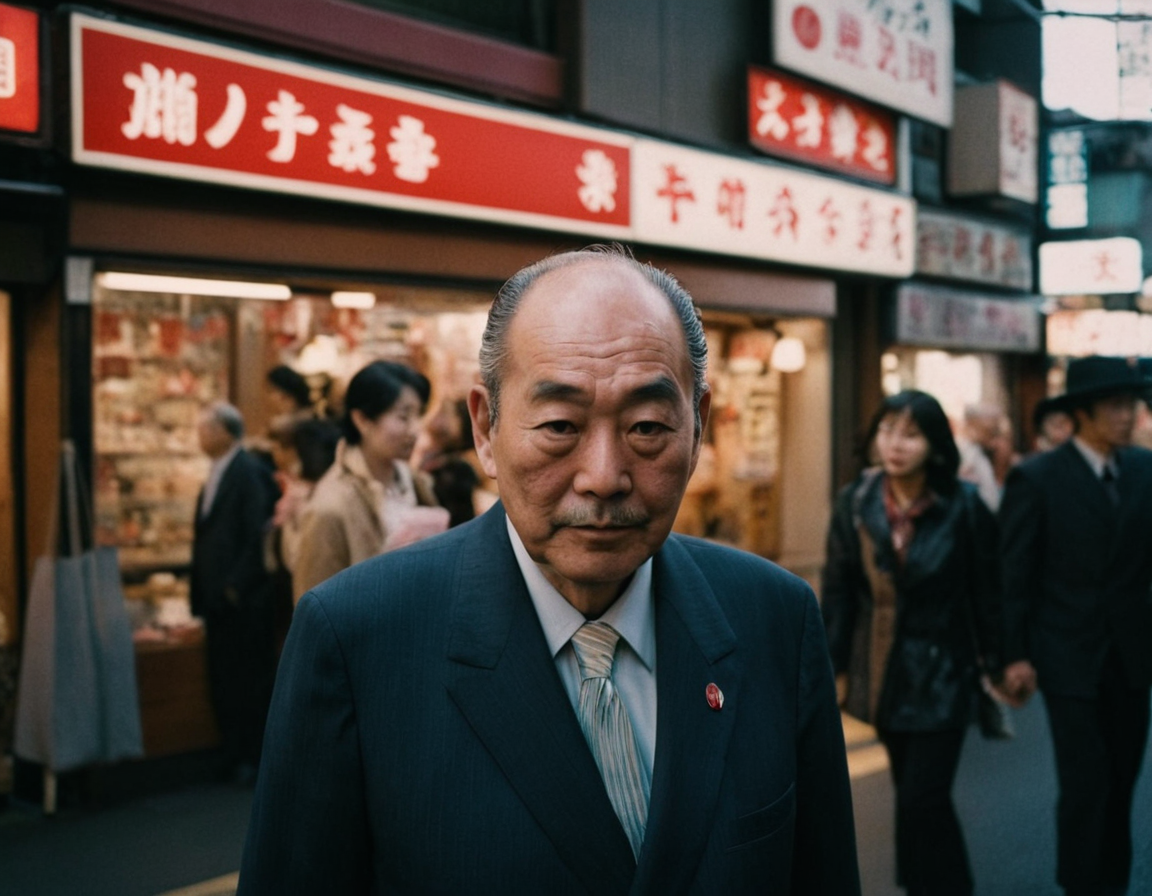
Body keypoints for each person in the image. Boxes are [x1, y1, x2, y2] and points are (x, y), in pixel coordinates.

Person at [238, 248, 861, 894]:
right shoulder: (356, 640)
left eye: (647, 427)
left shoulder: (774, 619)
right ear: (486, 428)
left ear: (696, 426)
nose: (603, 477)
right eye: (560, 425)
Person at [821, 390, 1005, 896]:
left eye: (911, 433)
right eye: (887, 430)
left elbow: (989, 591)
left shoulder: (963, 506)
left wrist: (1004, 658)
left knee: (924, 795)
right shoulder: (856, 501)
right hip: (880, 671)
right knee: (913, 793)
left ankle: (934, 885)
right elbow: (838, 591)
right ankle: (936, 883)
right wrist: (832, 665)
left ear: (935, 444)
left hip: (946, 673)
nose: (896, 444)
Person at [999, 355, 1152, 896]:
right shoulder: (1037, 477)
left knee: (1122, 780)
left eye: (1132, 403)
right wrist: (1012, 655)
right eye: (1115, 404)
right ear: (1082, 413)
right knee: (1086, 783)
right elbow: (1013, 574)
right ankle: (1082, 885)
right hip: (1069, 656)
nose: (1127, 414)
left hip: (1133, 659)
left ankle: (1111, 882)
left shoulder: (1143, 469)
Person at [290, 359, 447, 600]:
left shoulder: (413, 481)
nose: (415, 430)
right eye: (403, 417)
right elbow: (313, 607)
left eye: (418, 416)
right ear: (362, 420)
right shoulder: (330, 507)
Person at [190, 402, 279, 785]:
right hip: (216, 597)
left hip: (241, 599)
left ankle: (250, 756)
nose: (200, 436)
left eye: (205, 428)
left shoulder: (248, 471)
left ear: (226, 431)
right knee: (222, 677)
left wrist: (234, 586)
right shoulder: (215, 472)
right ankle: (231, 752)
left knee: (246, 677)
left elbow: (256, 533)